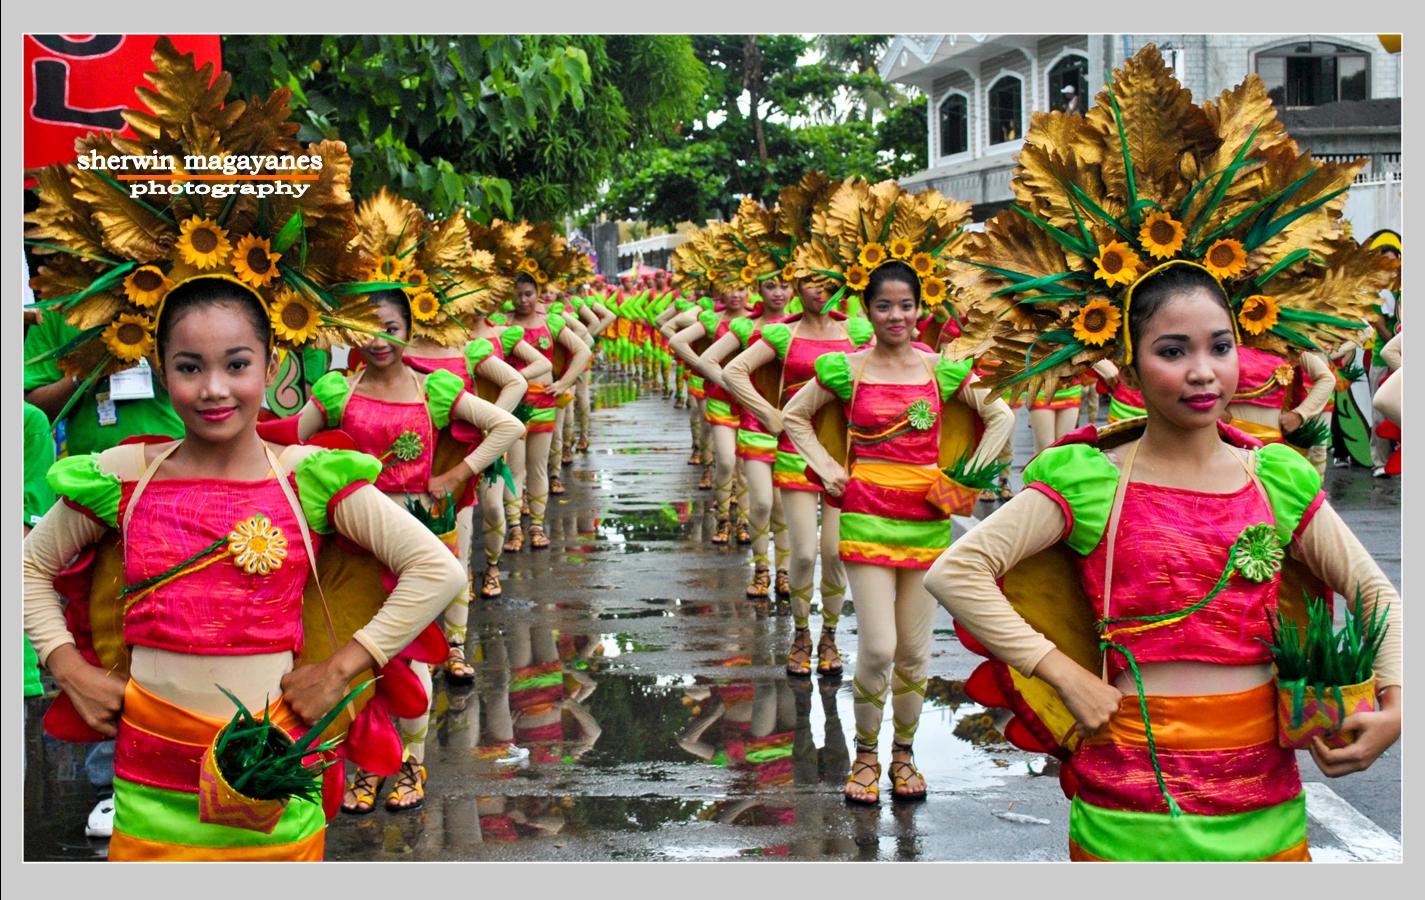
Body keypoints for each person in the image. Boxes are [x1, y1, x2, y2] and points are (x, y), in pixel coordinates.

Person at [926, 46, 1399, 861]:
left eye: (1217, 346)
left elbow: (1374, 594)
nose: (1202, 371)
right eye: (1173, 350)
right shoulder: (1088, 474)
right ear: (1130, 363)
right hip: (1125, 794)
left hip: (1265, 793)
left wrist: (1393, 708)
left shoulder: (1275, 476)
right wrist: (1063, 676)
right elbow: (956, 573)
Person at [784, 192, 1013, 805]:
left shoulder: (942, 371)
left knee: (914, 653)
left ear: (919, 310)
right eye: (884, 306)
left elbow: (1001, 418)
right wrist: (831, 470)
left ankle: (903, 756)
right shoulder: (846, 369)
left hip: (928, 520)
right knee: (879, 647)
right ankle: (863, 757)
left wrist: (967, 477)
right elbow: (794, 416)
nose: (896, 316)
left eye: (906, 306)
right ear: (867, 308)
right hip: (864, 519)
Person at [296, 276, 523, 814]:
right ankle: (364, 767)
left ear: (409, 330)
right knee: (349, 651)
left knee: (410, 654)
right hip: (349, 543)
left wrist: (454, 475)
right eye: (366, 329)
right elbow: (291, 443)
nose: (378, 341)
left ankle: (411, 764)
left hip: (419, 535)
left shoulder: (434, 390)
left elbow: (506, 426)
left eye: (390, 329)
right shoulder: (336, 390)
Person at [502, 234, 593, 552]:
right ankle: (515, 527)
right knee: (514, 469)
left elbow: (583, 349)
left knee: (538, 466)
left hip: (542, 402)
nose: (523, 301)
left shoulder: (551, 321)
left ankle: (538, 526)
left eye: (528, 294)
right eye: (517, 295)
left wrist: (565, 382)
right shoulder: (501, 322)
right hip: (510, 407)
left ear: (538, 293)